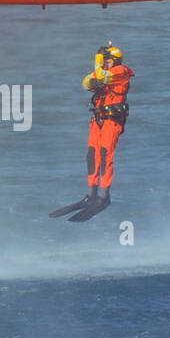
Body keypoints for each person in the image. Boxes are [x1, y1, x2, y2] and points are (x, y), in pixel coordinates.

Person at [52, 44, 132, 219]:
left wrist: (97, 61)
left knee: (105, 156)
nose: (104, 64)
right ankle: (91, 194)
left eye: (107, 61)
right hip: (98, 120)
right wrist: (91, 81)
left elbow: (103, 76)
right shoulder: (105, 72)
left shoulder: (121, 71)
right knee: (92, 155)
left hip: (112, 121)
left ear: (115, 61)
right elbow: (86, 82)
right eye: (103, 61)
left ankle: (104, 196)